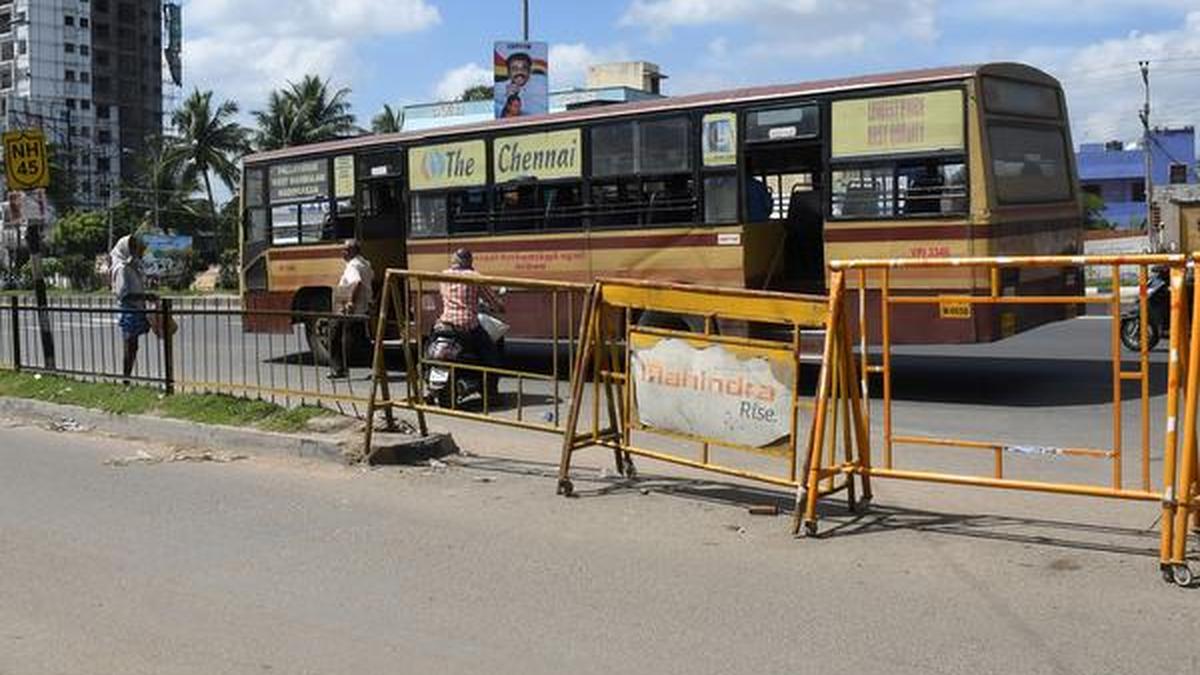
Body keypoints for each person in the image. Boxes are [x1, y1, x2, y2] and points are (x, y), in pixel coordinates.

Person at [438, 248, 503, 370]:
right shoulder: (475, 277)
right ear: (469, 261)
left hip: (445, 323)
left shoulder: (443, 275)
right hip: (467, 325)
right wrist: (500, 307)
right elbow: (492, 300)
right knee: (491, 354)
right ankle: (491, 380)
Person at [110, 234, 155, 385]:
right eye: (132, 247)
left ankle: (127, 378)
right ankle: (126, 379)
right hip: (129, 310)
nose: (135, 250)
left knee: (133, 346)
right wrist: (145, 296)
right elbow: (124, 295)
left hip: (136, 309)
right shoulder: (122, 269)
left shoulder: (131, 267)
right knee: (130, 345)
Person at [328, 239, 374, 379]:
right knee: (361, 339)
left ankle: (339, 369)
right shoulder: (365, 263)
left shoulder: (353, 266)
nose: (343, 252)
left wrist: (350, 302)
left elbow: (356, 282)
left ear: (352, 251)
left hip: (349, 309)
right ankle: (376, 367)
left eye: (345, 250)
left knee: (334, 336)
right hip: (362, 307)